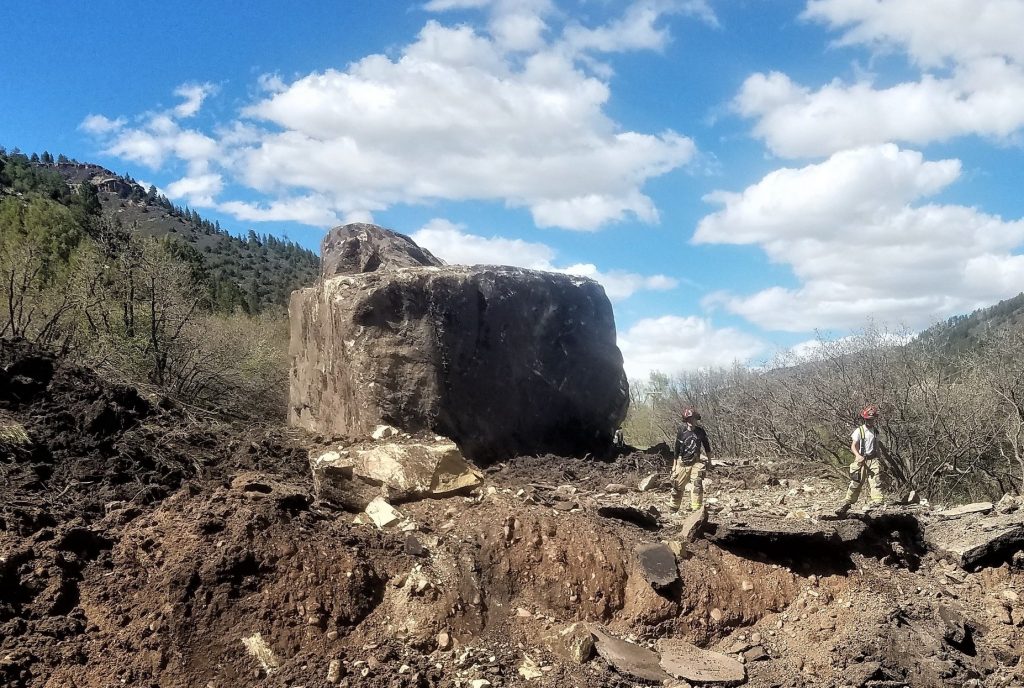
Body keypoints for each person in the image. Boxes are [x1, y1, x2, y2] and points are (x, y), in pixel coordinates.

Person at [838, 405, 889, 514]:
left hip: (873, 459)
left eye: (872, 419)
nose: (870, 421)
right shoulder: (859, 431)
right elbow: (853, 446)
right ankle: (848, 502)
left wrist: (879, 458)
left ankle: (878, 501)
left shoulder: (876, 432)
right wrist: (858, 456)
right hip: (861, 459)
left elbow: (877, 445)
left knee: (876, 481)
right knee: (856, 481)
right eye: (868, 419)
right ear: (865, 419)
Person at [671, 407, 712, 512]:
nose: (690, 421)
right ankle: (673, 509)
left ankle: (696, 510)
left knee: (697, 485)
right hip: (683, 463)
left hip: (695, 462)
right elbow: (676, 449)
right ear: (685, 420)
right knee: (677, 487)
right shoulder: (681, 432)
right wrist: (674, 466)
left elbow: (707, 447)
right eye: (688, 419)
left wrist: (709, 461)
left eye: (692, 418)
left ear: (695, 419)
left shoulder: (700, 432)